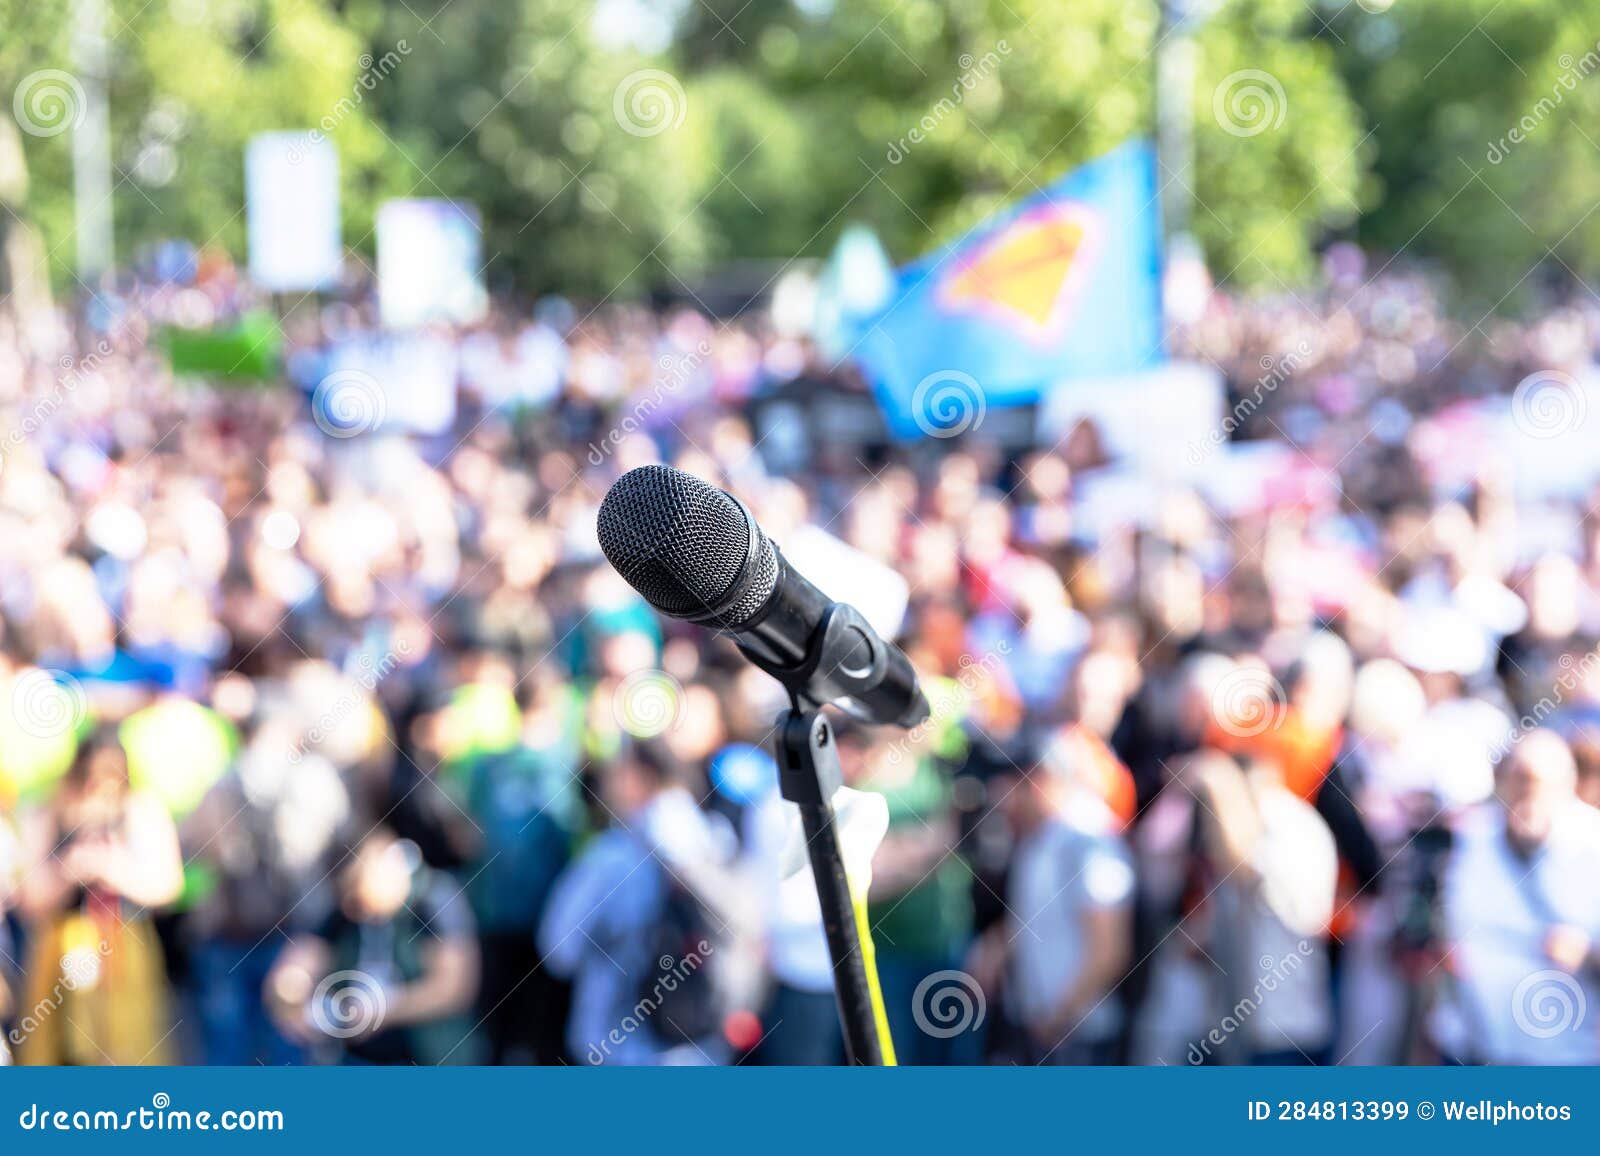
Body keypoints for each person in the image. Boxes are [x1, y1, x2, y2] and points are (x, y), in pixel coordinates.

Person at [538, 739, 745, 1065]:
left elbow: (559, 951)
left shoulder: (610, 859)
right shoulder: (717, 837)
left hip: (618, 1046)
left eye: (616, 770)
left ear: (637, 778)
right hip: (704, 1043)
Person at [14, 729, 183, 1065]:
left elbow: (168, 887)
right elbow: (30, 901)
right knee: (57, 1050)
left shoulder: (141, 809)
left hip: (125, 945)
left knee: (128, 1048)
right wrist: (69, 871)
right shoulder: (49, 810)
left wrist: (115, 870)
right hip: (60, 947)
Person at [1435, 730, 1600, 1064]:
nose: (1529, 794)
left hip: (1567, 1058)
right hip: (1479, 1046)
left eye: (1540, 783)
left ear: (1568, 784)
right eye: (1519, 779)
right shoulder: (1473, 837)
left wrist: (1587, 955)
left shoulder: (1591, 844)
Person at [971, 738, 1134, 1065]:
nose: (1006, 798)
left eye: (1018, 783)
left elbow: (1109, 949)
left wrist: (1057, 1018)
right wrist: (995, 950)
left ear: (1041, 780)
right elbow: (1035, 915)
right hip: (1040, 1032)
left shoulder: (1090, 838)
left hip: (1079, 1038)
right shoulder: (1039, 836)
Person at [265, 824, 481, 1064]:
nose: (353, 909)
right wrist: (290, 995)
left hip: (430, 1056)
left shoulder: (434, 899)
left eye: (357, 896)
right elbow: (301, 959)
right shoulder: (347, 908)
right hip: (358, 1059)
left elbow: (454, 989)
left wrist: (386, 1010)